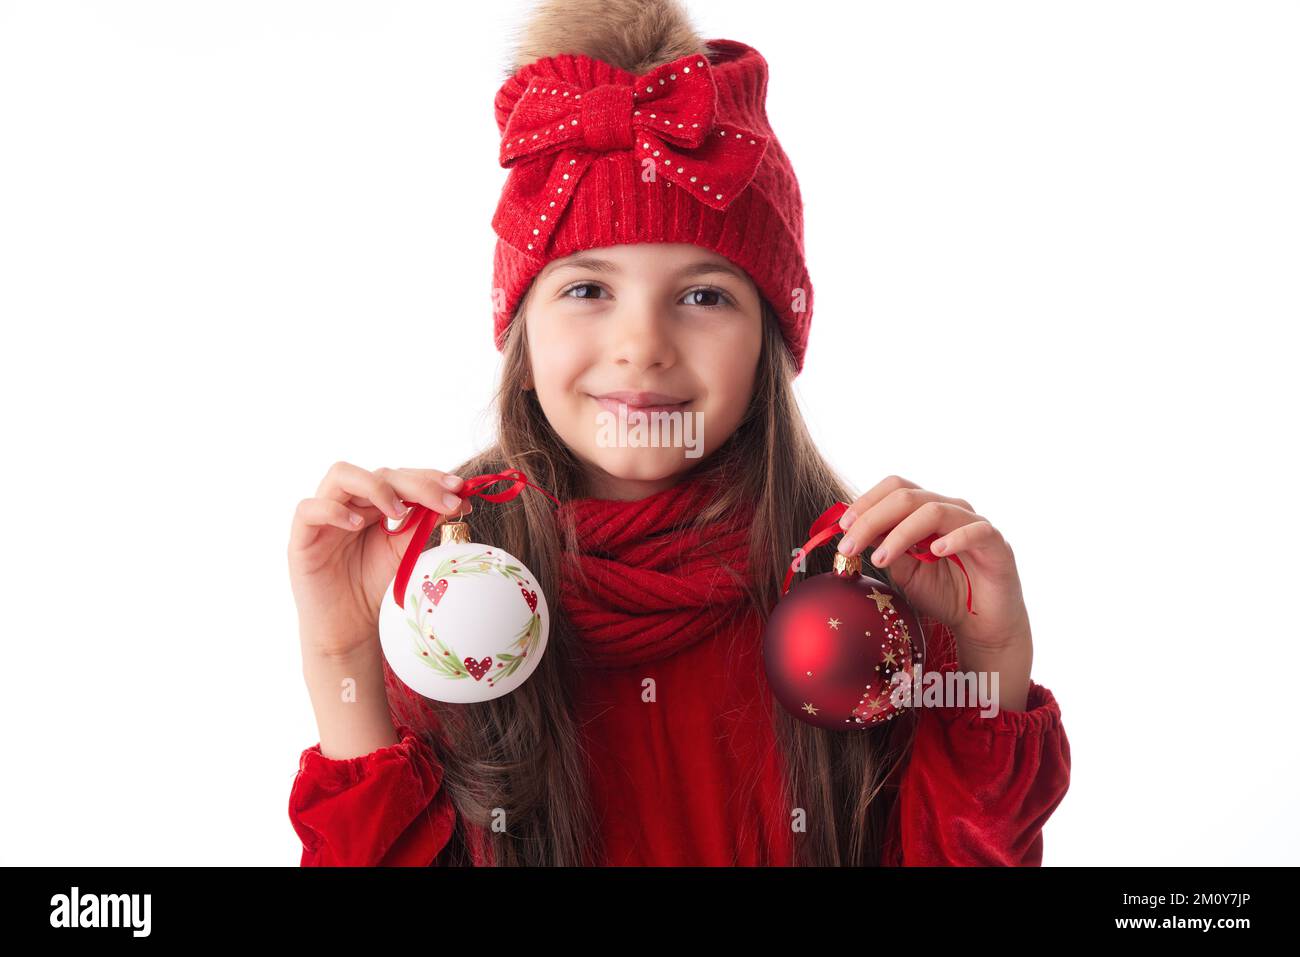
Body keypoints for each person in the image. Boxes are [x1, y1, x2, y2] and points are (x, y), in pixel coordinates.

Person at [286, 0, 1070, 866]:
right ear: (522, 329)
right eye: (587, 289)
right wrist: (341, 651)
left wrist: (990, 657)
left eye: (704, 296)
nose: (642, 347)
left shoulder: (873, 592)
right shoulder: (447, 597)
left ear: (771, 337)